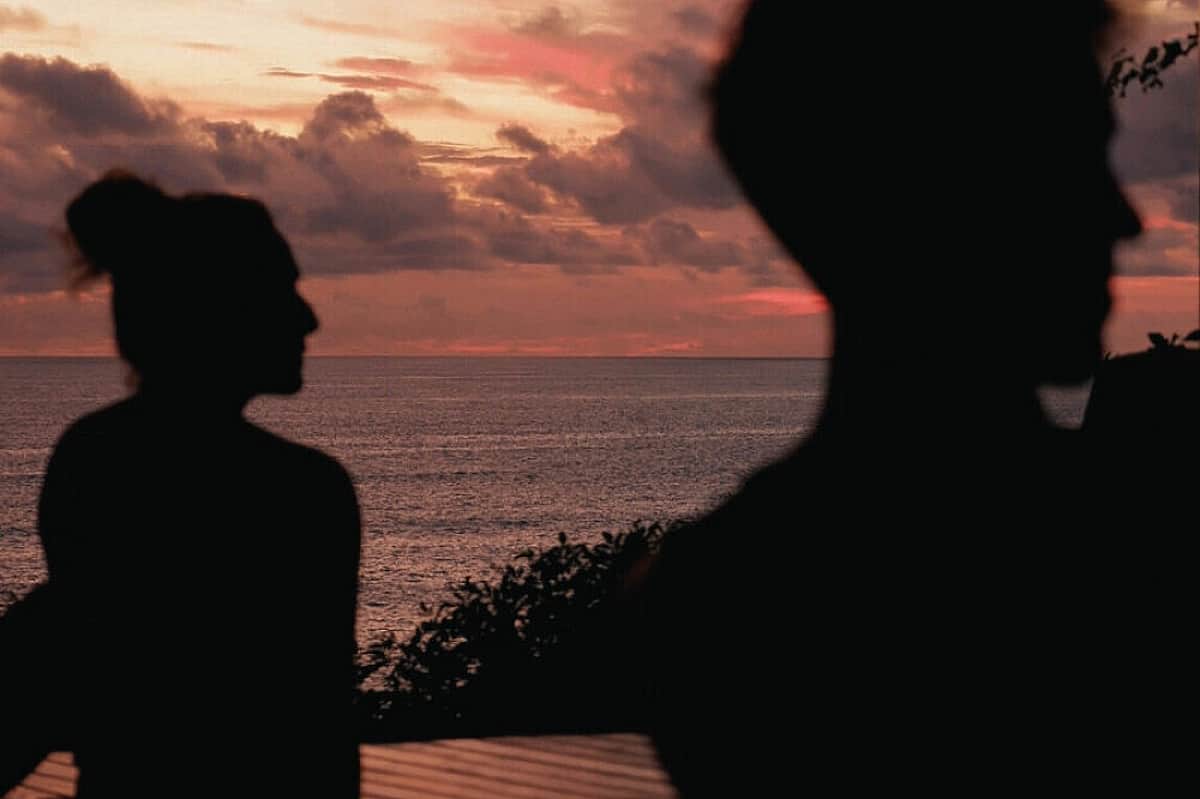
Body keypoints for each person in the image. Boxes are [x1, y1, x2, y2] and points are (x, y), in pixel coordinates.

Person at [639, 2, 1185, 794]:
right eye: (1063, 161)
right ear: (926, 200)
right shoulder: (1139, 564)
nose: (1123, 217)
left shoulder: (712, 612)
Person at [21, 171, 361, 797]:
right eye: (280, 290)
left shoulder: (91, 460)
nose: (308, 320)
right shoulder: (303, 492)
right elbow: (318, 729)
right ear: (216, 312)